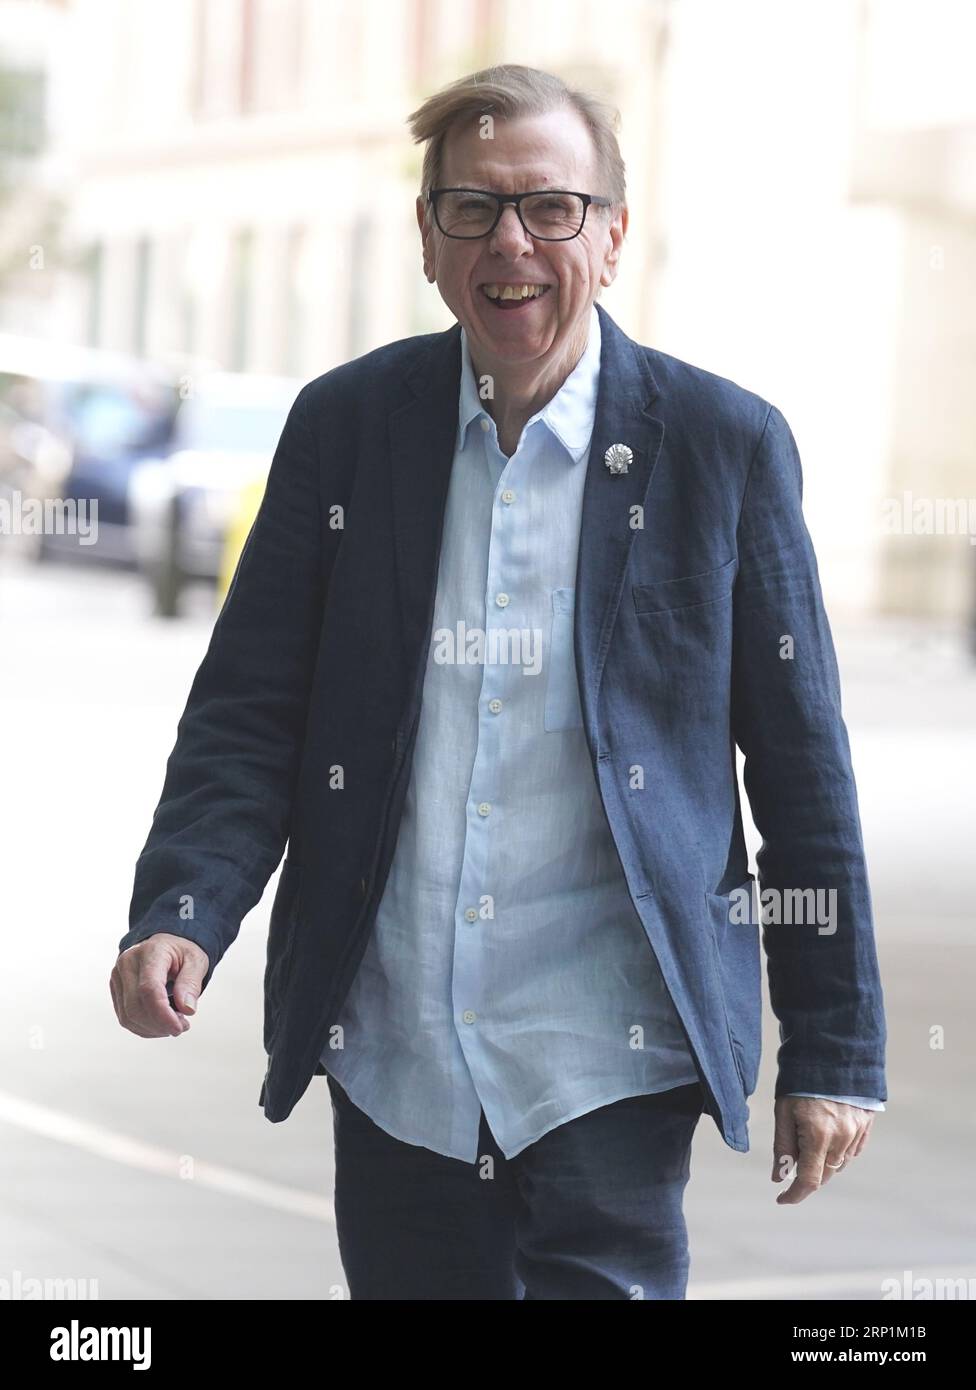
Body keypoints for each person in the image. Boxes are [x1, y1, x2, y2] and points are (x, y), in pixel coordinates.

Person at [110, 64, 887, 1301]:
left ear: (614, 235)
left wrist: (835, 1046)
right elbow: (250, 707)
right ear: (427, 239)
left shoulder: (721, 446)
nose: (510, 242)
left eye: (550, 208)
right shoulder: (346, 428)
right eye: (470, 209)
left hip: (610, 1055)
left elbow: (801, 770)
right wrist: (184, 905)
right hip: (394, 1047)